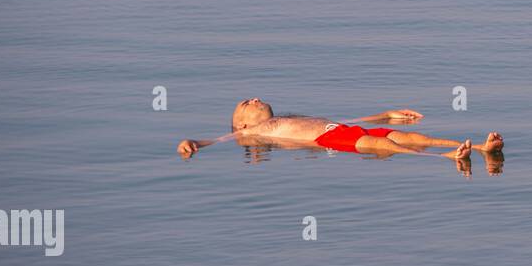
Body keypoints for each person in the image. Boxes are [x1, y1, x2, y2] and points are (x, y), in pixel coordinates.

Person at [176, 98, 504, 173]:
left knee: (408, 136)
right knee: (382, 145)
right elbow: (217, 140)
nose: (255, 99)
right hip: (329, 141)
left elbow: (342, 120)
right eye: (246, 103)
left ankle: (479, 147)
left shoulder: (289, 118)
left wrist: (384, 114)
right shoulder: (253, 133)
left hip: (342, 129)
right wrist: (193, 143)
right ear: (242, 125)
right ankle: (445, 158)